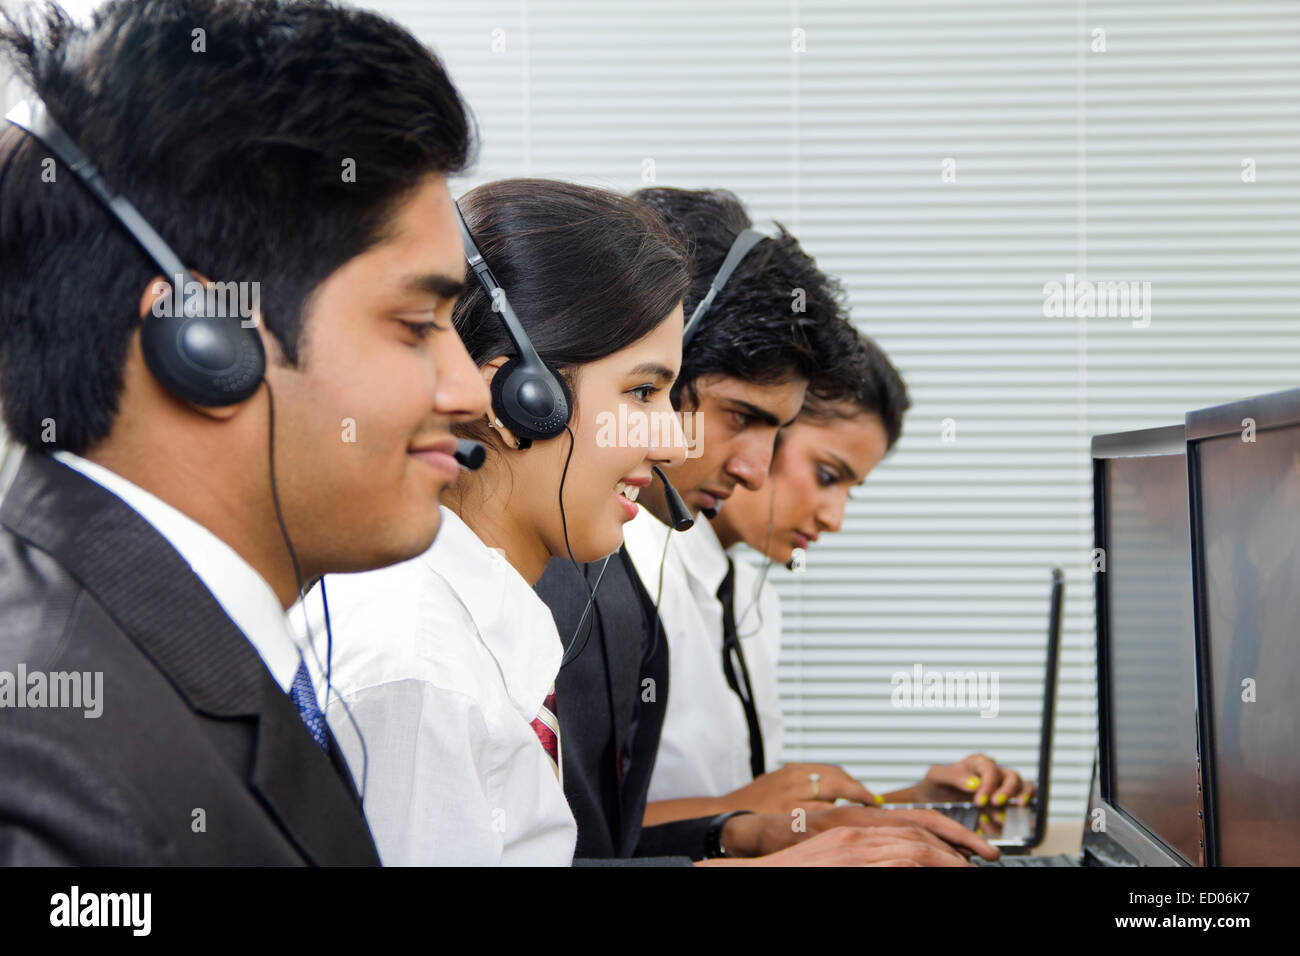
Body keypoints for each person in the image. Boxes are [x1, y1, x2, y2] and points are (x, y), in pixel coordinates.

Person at [0, 0, 487, 864]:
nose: (470, 391)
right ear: (202, 338)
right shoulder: (53, 774)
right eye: (416, 325)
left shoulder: (178, 646)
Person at [536, 186, 998, 864]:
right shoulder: (599, 571)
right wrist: (746, 821)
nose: (755, 467)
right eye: (827, 473)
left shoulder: (734, 595)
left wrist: (881, 813)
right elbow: (585, 842)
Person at [293, 179, 692, 865]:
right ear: (518, 400)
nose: (675, 445)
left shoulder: (483, 632)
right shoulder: (422, 669)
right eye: (642, 392)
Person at [648, 328, 1037, 828]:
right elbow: (586, 835)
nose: (835, 517)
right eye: (828, 475)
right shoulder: (633, 574)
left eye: (852, 490)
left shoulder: (753, 597)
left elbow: (767, 817)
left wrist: (915, 803)